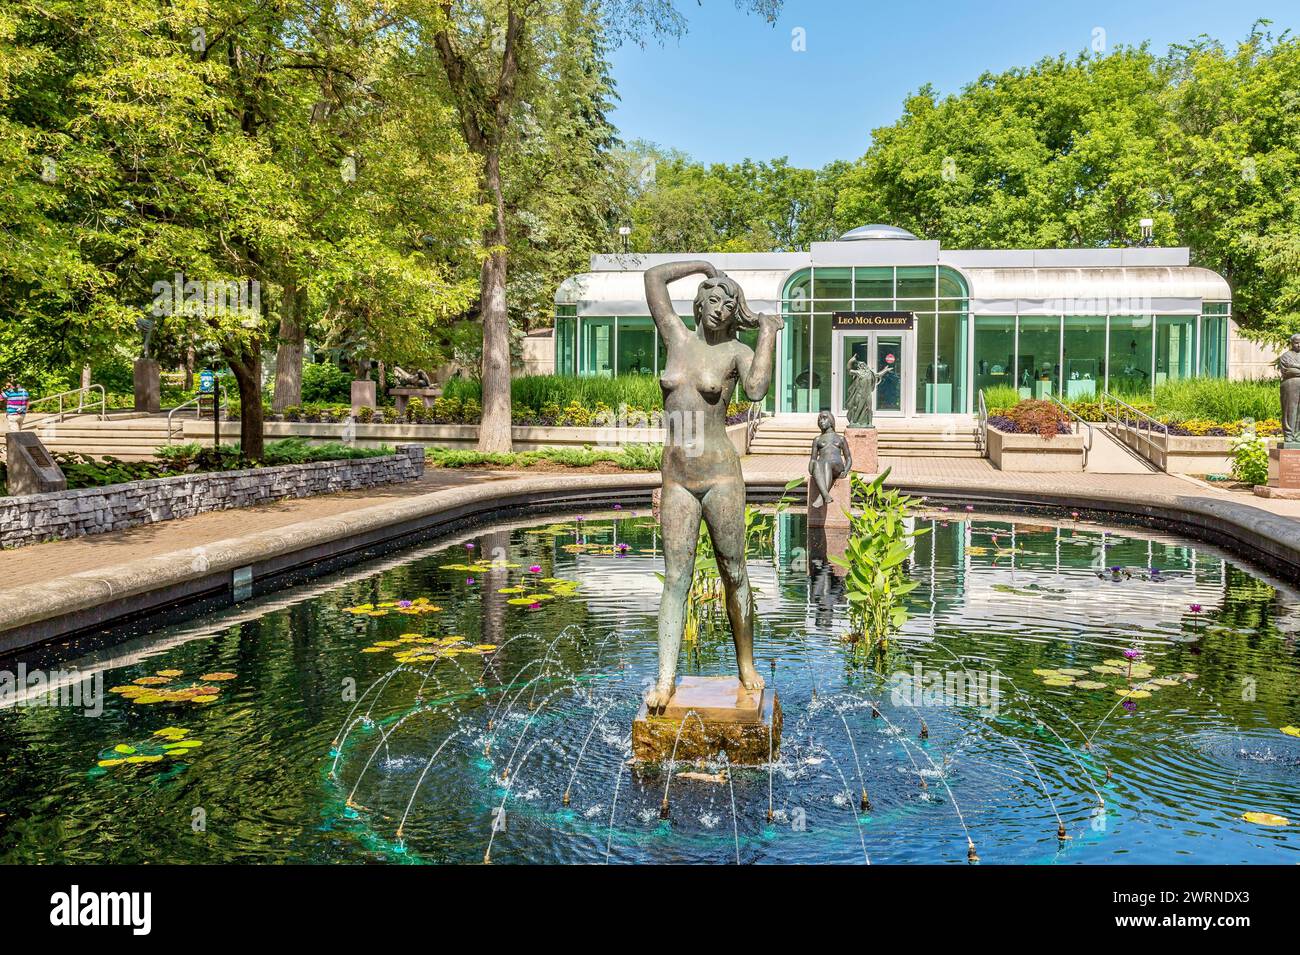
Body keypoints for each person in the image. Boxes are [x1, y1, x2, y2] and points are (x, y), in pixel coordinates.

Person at [643, 260, 783, 711]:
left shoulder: (737, 353)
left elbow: (758, 389)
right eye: (714, 299)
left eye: (729, 303)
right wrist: (702, 265)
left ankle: (746, 665)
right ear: (700, 304)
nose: (720, 309)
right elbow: (653, 279)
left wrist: (767, 334)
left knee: (734, 570)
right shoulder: (675, 338)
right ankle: (665, 678)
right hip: (677, 478)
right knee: (676, 579)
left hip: (721, 475)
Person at [808, 410, 852, 508]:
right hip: (822, 466)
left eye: (824, 418)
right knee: (818, 463)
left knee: (826, 463)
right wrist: (812, 469)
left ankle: (822, 496)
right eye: (819, 419)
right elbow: (813, 459)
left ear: (831, 421)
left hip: (837, 467)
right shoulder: (817, 439)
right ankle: (826, 495)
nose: (821, 421)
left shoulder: (840, 438)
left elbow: (848, 458)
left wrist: (846, 471)